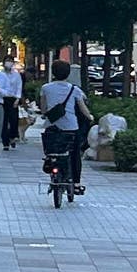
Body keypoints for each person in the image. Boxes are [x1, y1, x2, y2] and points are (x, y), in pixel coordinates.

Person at [39, 59, 92, 194]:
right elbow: (83, 108)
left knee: (51, 150)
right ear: (67, 74)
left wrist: (46, 114)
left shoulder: (45, 88)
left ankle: (51, 166)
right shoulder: (74, 90)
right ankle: (76, 184)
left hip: (52, 126)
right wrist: (90, 117)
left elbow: (43, 109)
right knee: (74, 155)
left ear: (53, 73)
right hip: (70, 127)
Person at [0, 58, 24, 149]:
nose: (8, 63)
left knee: (14, 120)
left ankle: (12, 137)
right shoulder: (0, 74)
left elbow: (19, 87)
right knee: (4, 121)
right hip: (3, 99)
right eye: (7, 61)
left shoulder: (16, 75)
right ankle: (5, 142)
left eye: (10, 61)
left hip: (13, 99)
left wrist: (18, 99)